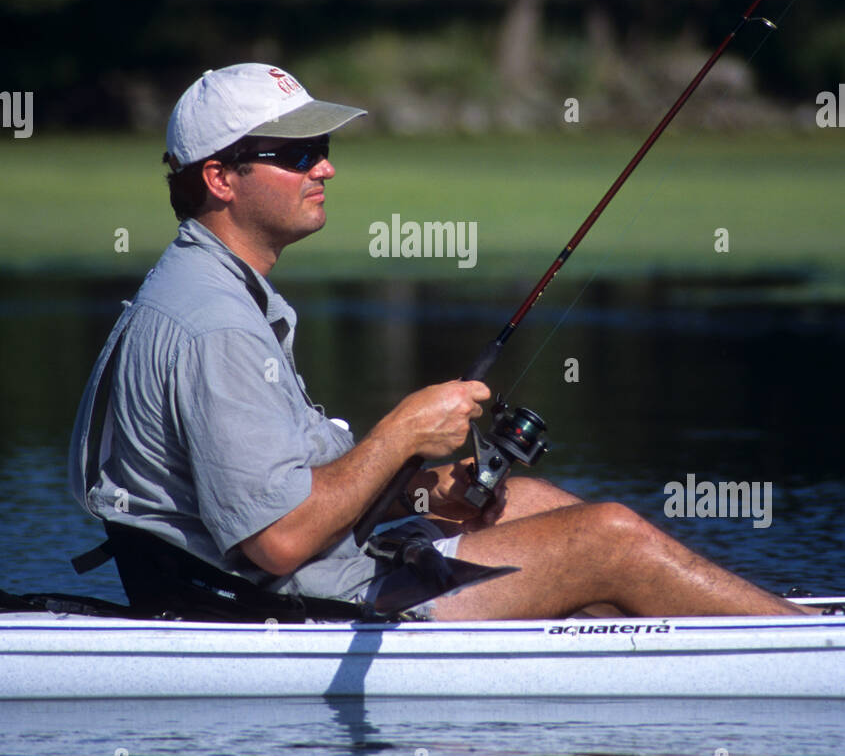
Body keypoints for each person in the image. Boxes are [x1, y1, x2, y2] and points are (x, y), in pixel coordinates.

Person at [70, 63, 806, 620]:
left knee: (532, 503)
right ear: (221, 179)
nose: (324, 166)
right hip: (296, 602)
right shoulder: (213, 323)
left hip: (322, 570)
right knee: (608, 537)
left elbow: (287, 489)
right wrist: (399, 435)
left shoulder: (213, 290)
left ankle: (700, 636)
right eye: (295, 153)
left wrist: (412, 486)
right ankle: (800, 653)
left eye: (321, 146)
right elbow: (282, 542)